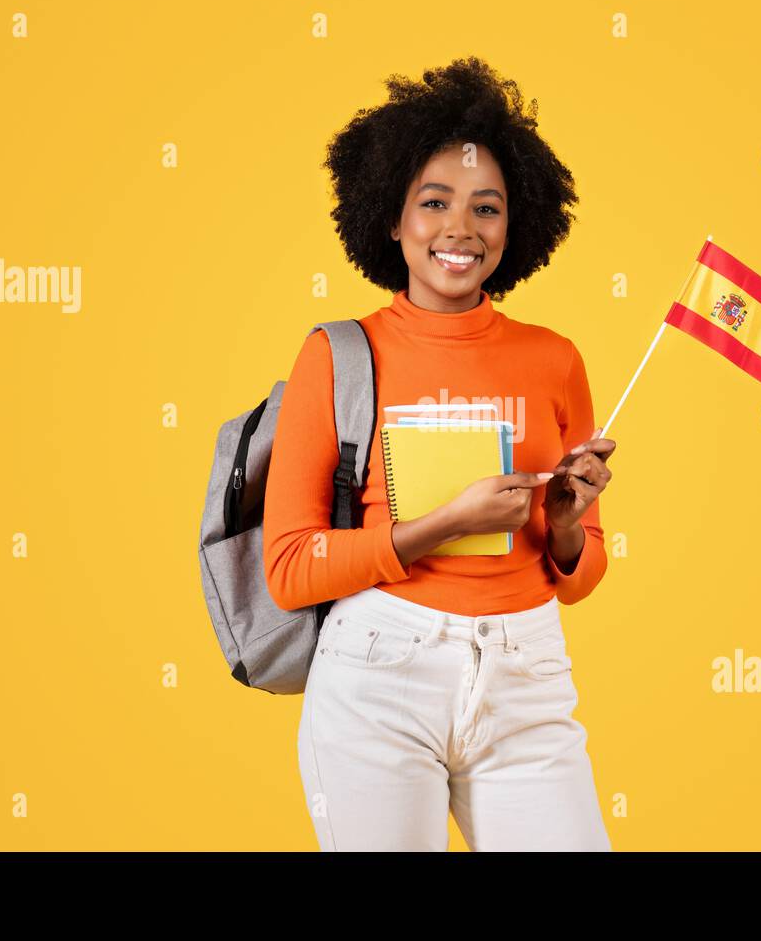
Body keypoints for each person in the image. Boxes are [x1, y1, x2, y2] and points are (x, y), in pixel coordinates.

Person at [263, 56, 616, 851]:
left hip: (527, 676)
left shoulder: (554, 359)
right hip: (379, 674)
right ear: (392, 218)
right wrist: (440, 525)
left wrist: (563, 526)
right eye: (434, 203)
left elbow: (584, 573)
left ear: (513, 226)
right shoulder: (336, 357)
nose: (461, 228)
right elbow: (288, 568)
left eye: (486, 208)